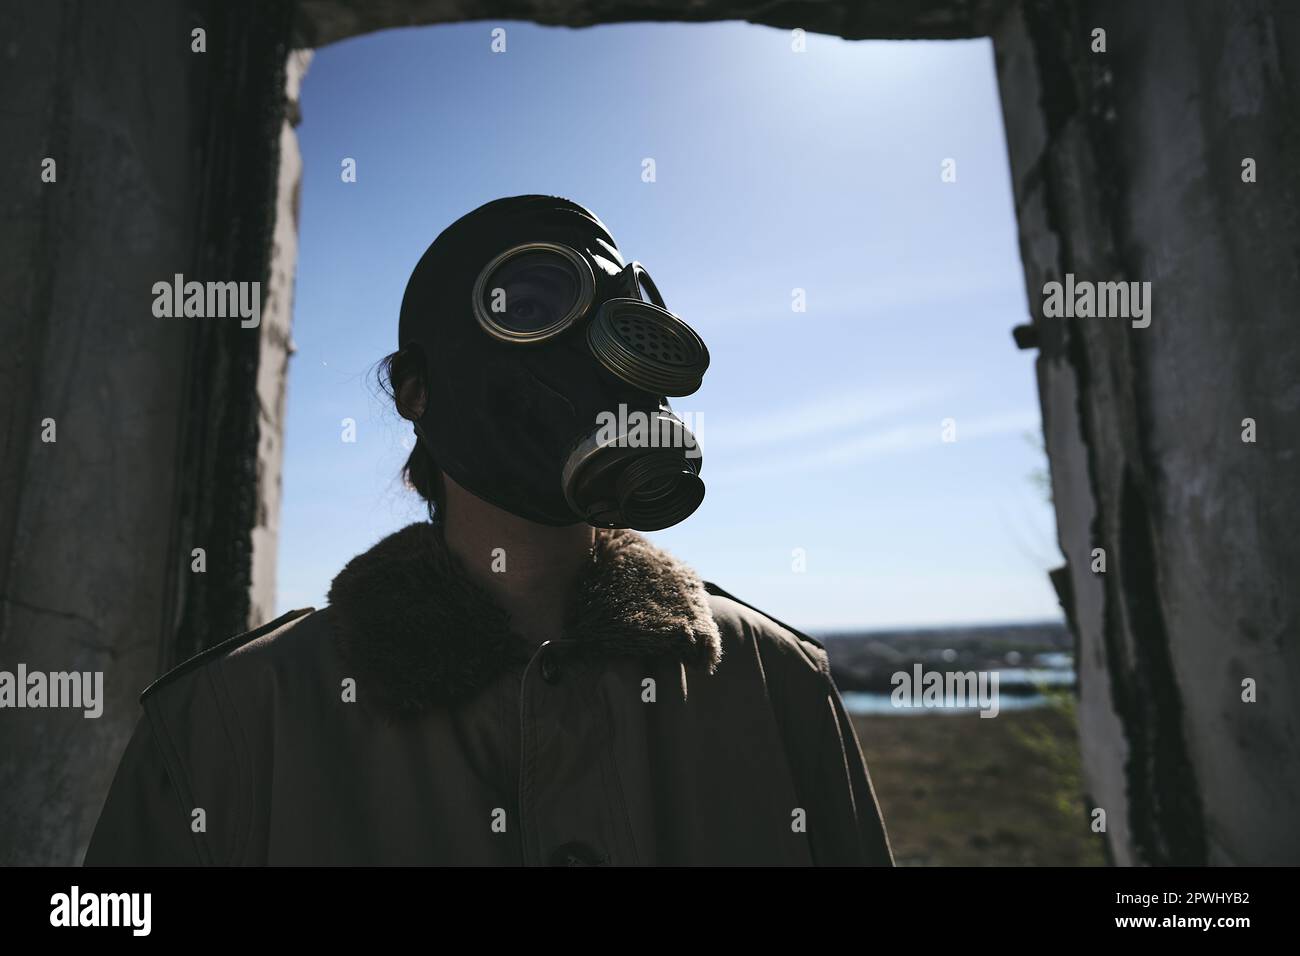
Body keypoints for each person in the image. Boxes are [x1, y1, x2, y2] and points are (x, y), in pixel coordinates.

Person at [84, 195, 893, 866]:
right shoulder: (230, 725)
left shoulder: (777, 683)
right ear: (415, 390)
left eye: (624, 317)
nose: (599, 355)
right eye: (533, 307)